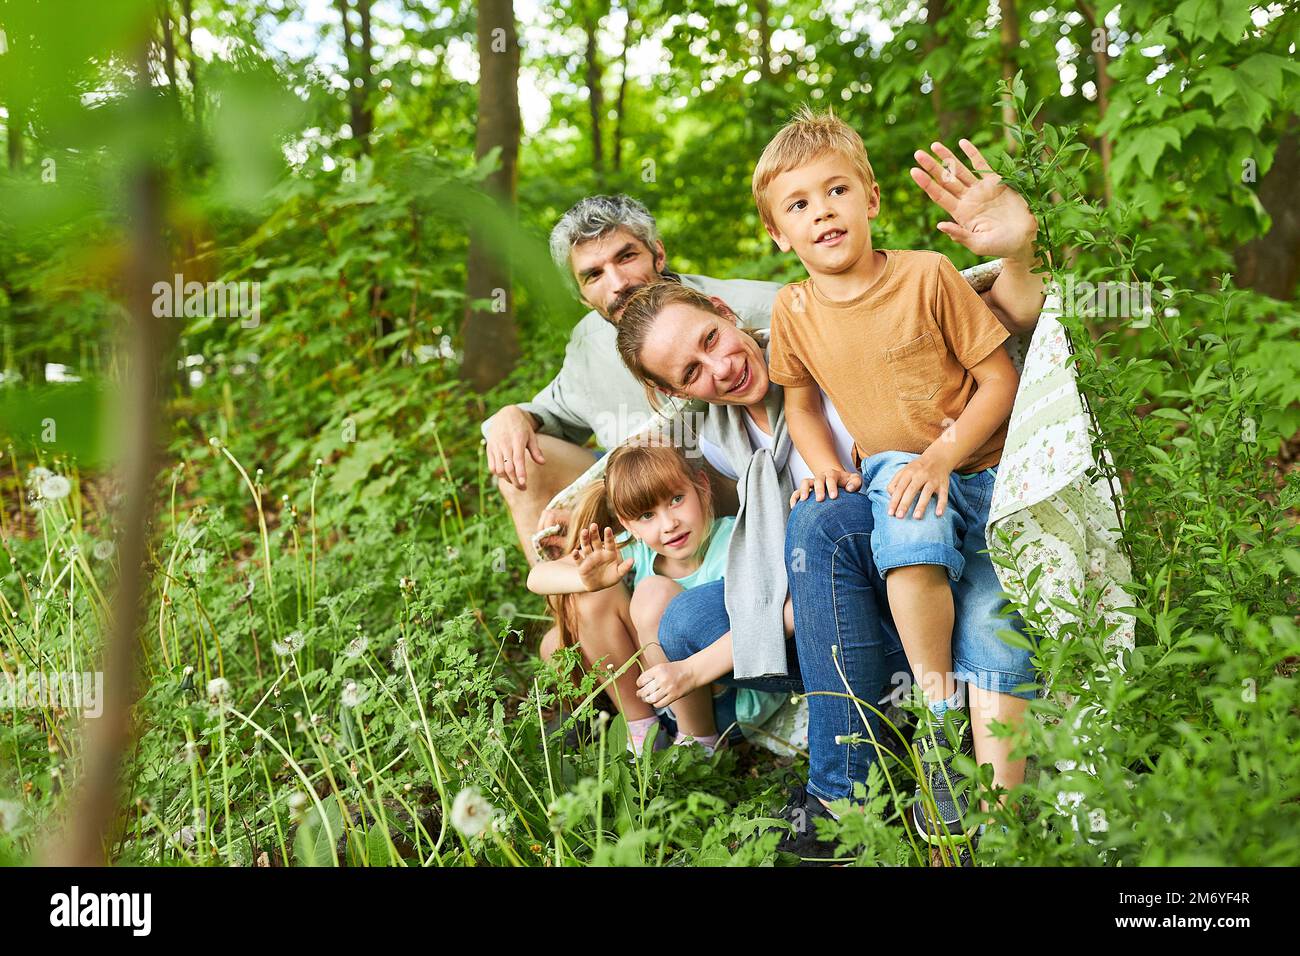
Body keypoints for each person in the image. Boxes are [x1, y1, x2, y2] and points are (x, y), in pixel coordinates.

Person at [613, 136, 1045, 863]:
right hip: (839, 593)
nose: (719, 367)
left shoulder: (894, 293)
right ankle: (904, 728)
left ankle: (846, 794)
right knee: (685, 614)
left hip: (911, 523)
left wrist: (1020, 249)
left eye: (715, 338)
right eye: (692, 370)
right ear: (674, 395)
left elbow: (1007, 316)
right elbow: (626, 480)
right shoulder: (721, 422)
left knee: (821, 524)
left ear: (726, 310)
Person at [755, 106, 1030, 845]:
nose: (823, 213)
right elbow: (802, 405)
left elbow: (997, 379)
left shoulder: (928, 275)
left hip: (984, 472)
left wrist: (947, 454)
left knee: (996, 630)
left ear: (871, 198)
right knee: (908, 512)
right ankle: (938, 721)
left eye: (837, 191)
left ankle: (999, 826)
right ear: (779, 234)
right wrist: (823, 468)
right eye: (800, 205)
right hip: (895, 472)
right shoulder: (794, 309)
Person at [480, 195, 781, 684]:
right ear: (583, 295)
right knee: (556, 646)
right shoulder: (589, 345)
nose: (617, 283)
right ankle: (585, 600)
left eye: (626, 256)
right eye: (593, 274)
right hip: (646, 521)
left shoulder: (736, 305)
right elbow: (551, 411)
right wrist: (513, 414)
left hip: (727, 504)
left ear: (658, 255)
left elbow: (828, 319)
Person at [526, 441, 782, 753]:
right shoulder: (637, 550)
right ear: (627, 525)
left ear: (701, 487)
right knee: (581, 607)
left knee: (653, 593)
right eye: (647, 515)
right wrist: (585, 579)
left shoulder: (735, 541)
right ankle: (643, 733)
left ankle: (699, 745)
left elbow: (769, 616)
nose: (668, 524)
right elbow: (536, 577)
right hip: (661, 698)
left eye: (676, 499)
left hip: (729, 699)